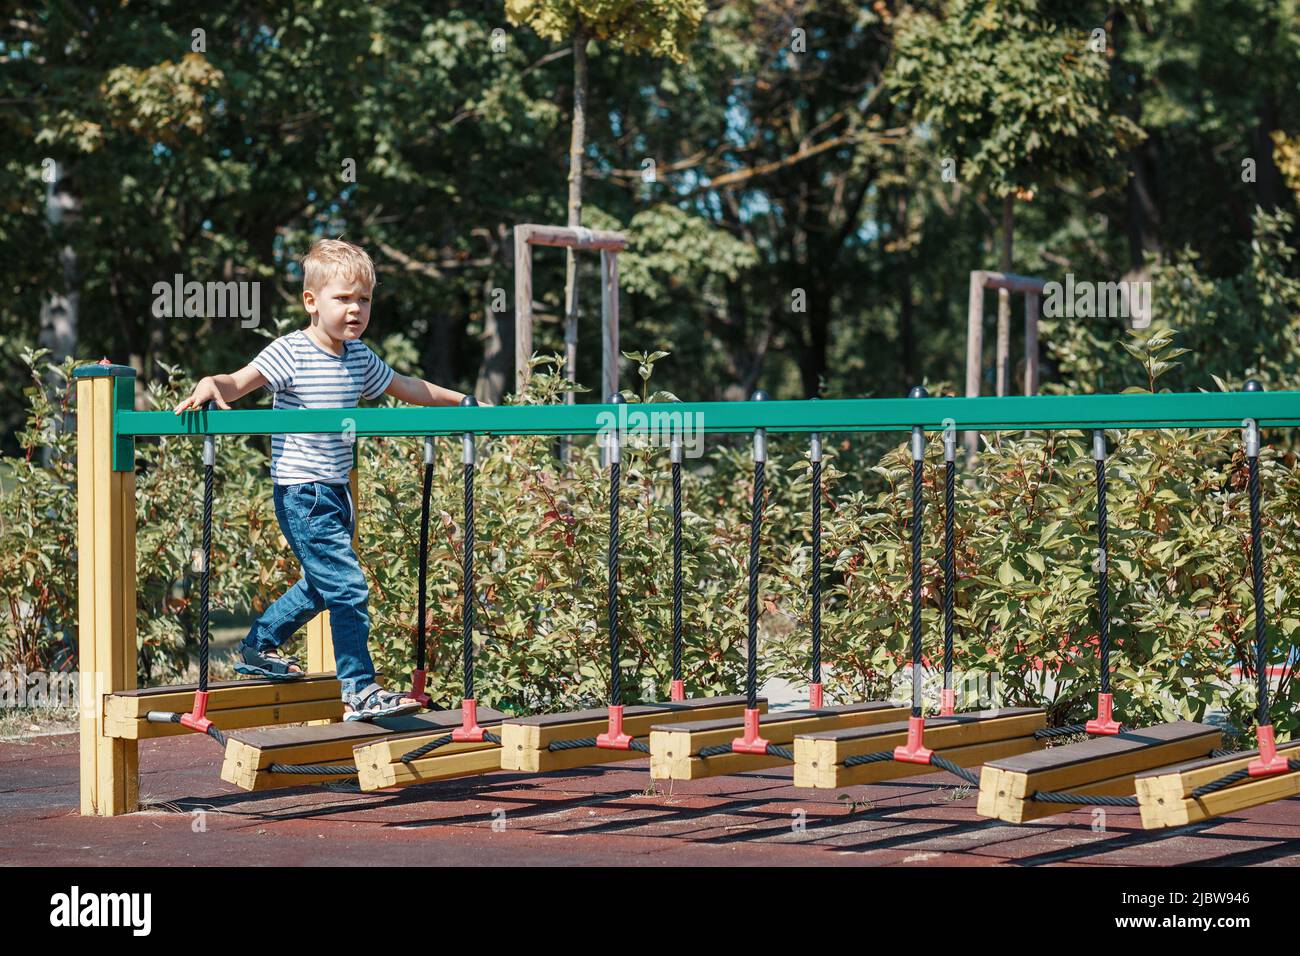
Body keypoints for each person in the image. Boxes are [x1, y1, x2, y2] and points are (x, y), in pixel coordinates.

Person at [174, 238, 467, 721]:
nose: (355, 309)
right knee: (348, 588)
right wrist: (212, 382)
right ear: (312, 302)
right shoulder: (292, 352)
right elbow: (240, 381)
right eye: (343, 298)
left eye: (364, 300)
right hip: (303, 493)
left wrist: (460, 401)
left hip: (335, 491)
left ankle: (257, 646)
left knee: (321, 584)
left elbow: (406, 387)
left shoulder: (359, 358)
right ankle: (359, 689)